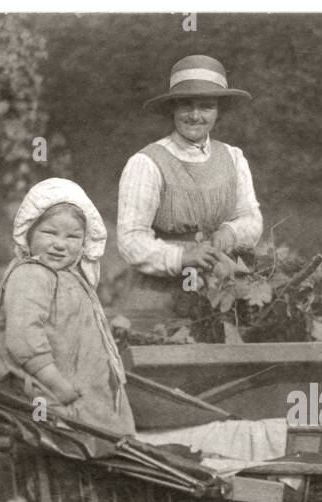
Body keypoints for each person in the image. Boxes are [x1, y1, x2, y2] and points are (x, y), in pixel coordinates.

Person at [116, 54, 262, 317]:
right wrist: (183, 257)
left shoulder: (233, 157)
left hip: (219, 286)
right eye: (186, 106)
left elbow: (251, 218)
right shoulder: (146, 163)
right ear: (173, 109)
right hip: (158, 293)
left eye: (206, 106)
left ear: (219, 111)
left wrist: (229, 233)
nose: (195, 116)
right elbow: (130, 240)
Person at [0, 177, 135, 436]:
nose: (60, 243)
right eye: (49, 233)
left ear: (84, 242)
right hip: (59, 398)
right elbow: (23, 338)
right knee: (85, 445)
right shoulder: (31, 275)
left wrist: (108, 330)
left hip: (87, 394)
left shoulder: (68, 276)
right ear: (29, 232)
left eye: (72, 236)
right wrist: (57, 384)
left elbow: (69, 324)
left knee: (111, 444)